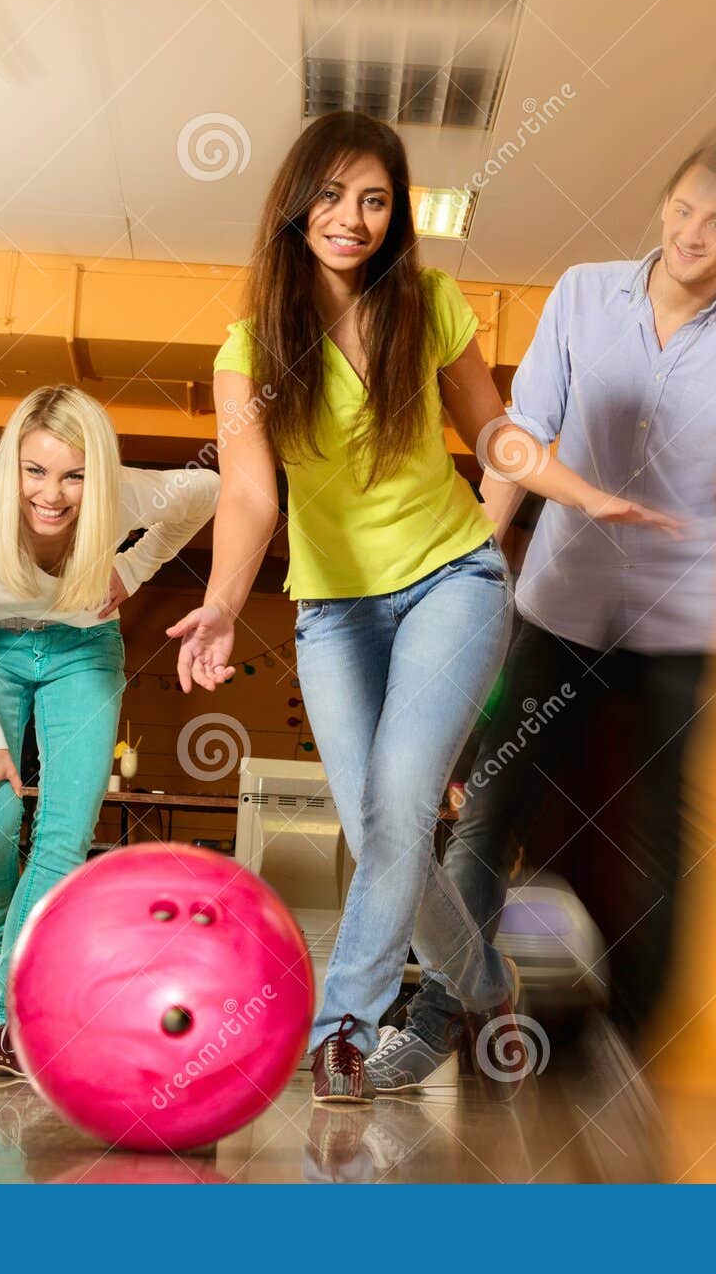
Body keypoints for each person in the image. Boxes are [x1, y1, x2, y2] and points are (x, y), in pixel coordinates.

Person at [167, 111, 680, 1104]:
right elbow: (250, 494)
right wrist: (224, 600)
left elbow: (495, 434)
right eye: (332, 195)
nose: (351, 217)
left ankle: (342, 1032)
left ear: (396, 215)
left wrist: (578, 491)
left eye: (375, 200)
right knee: (379, 832)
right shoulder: (249, 350)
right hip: (333, 613)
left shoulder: (429, 303)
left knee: (401, 803)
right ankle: (481, 980)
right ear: (295, 203)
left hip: (453, 582)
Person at [370, 139, 716, 1092]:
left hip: (680, 622)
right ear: (664, 202)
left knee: (666, 835)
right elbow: (520, 436)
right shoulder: (582, 294)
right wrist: (472, 563)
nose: (692, 234)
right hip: (558, 604)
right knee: (489, 807)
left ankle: (635, 1041)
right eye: (683, 209)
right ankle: (438, 1014)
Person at [0, 384, 218, 1081]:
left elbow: (208, 491)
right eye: (35, 471)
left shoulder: (124, 496)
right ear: (12, 464)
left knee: (64, 834)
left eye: (74, 476)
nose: (52, 495)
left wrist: (131, 569)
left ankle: (6, 1016)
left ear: (99, 474)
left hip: (83, 650)